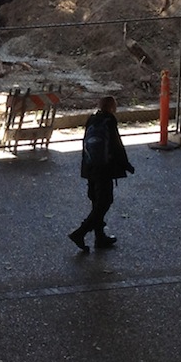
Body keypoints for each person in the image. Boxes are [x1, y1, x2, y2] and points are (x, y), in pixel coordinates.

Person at [69, 96, 133, 251]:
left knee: (96, 202)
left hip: (90, 167)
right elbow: (116, 145)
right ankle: (80, 232)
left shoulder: (92, 119)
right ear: (111, 107)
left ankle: (100, 237)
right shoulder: (109, 121)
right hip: (104, 168)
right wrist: (126, 165)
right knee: (104, 202)